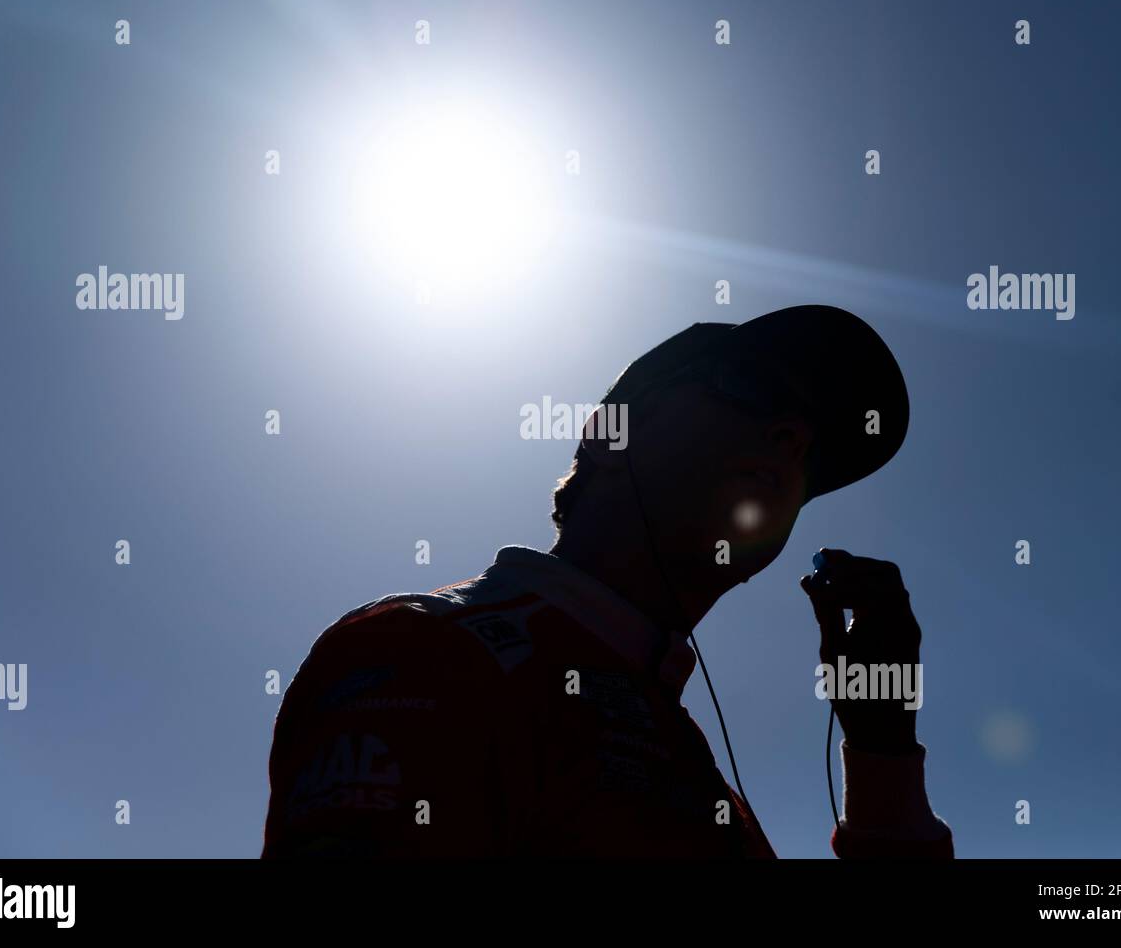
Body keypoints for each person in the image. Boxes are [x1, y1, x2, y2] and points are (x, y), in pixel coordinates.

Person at [261, 304, 954, 857]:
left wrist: (882, 745)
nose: (793, 438)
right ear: (608, 435)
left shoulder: (678, 748)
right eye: (752, 390)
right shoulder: (423, 654)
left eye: (815, 454)